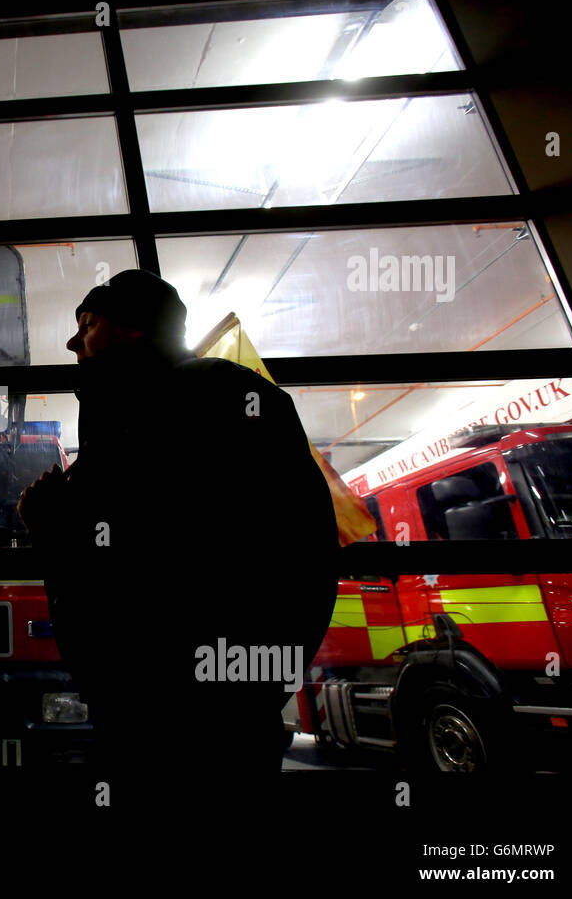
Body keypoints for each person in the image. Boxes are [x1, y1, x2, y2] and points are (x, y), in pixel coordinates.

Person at [17, 270, 338, 794]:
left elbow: (147, 562)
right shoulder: (151, 414)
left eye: (89, 324)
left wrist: (57, 527)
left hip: (186, 717)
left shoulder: (198, 399)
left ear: (136, 329)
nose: (74, 341)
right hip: (179, 708)